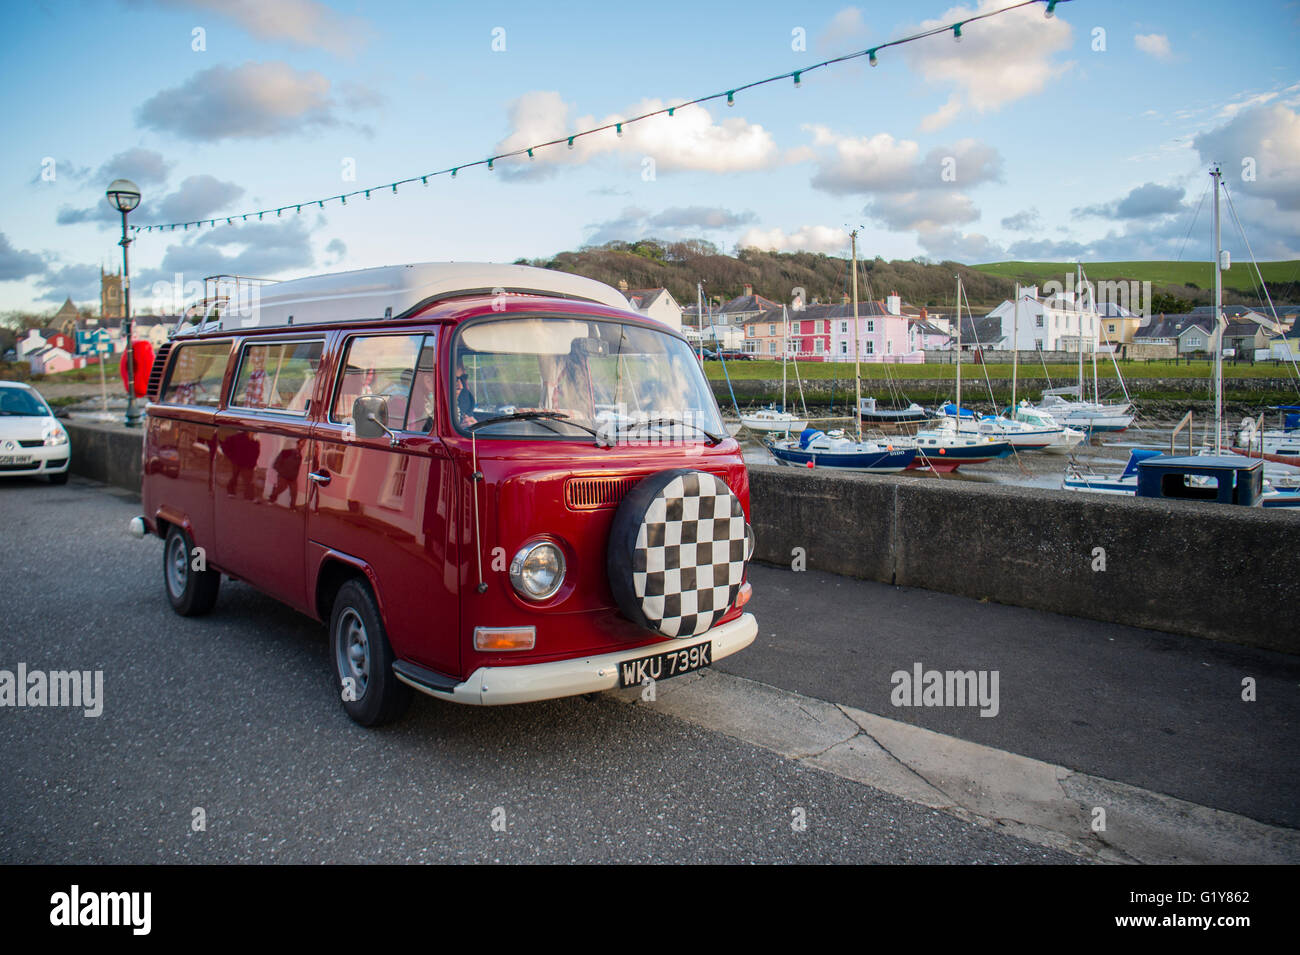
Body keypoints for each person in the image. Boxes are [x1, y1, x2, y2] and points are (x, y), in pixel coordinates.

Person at [454, 360, 476, 428]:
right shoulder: (430, 413)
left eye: (463, 378)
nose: (461, 387)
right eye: (454, 379)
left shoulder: (467, 402)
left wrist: (475, 425)